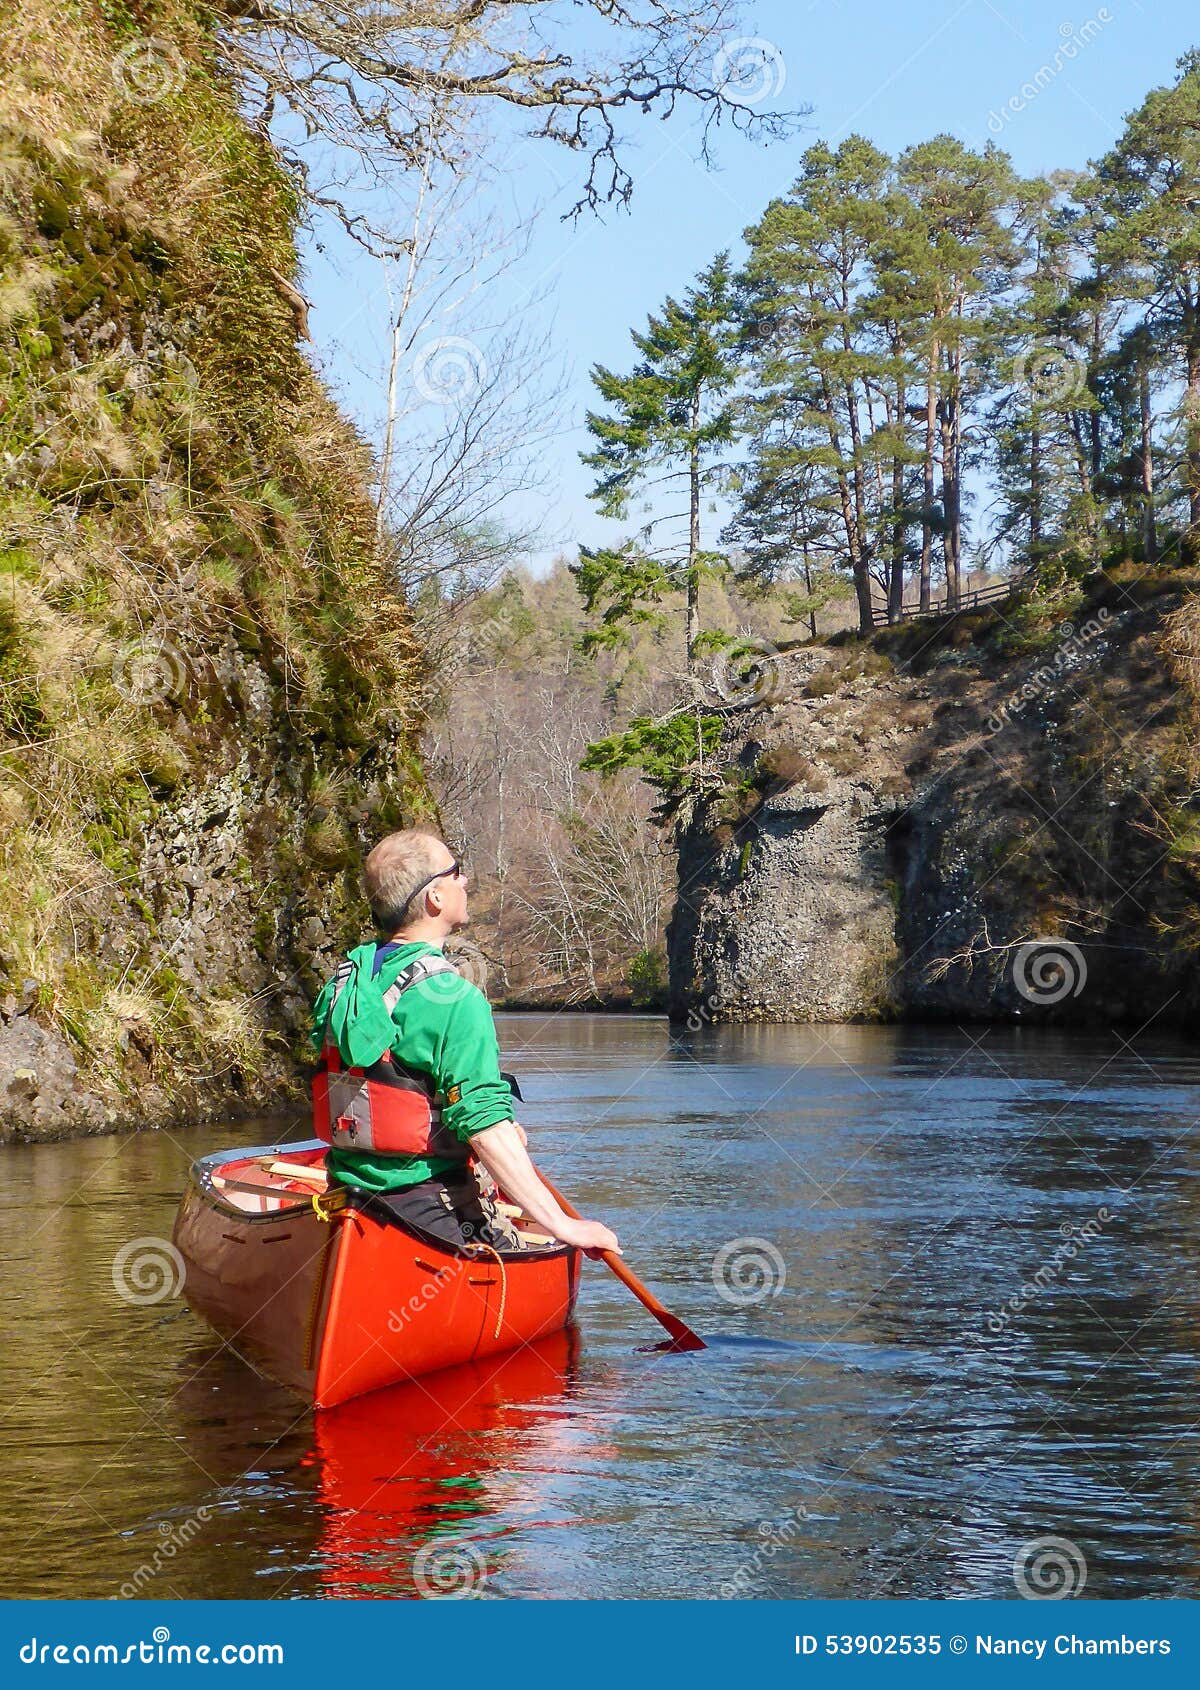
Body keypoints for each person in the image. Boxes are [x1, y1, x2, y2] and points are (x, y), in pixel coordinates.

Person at [310, 828, 620, 1259]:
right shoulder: (456, 1000)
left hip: (345, 1189)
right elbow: (484, 1128)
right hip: (426, 1206)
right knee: (515, 1235)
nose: (465, 881)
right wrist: (565, 1225)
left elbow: (391, 1078)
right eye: (456, 872)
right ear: (435, 897)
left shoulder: (341, 986)